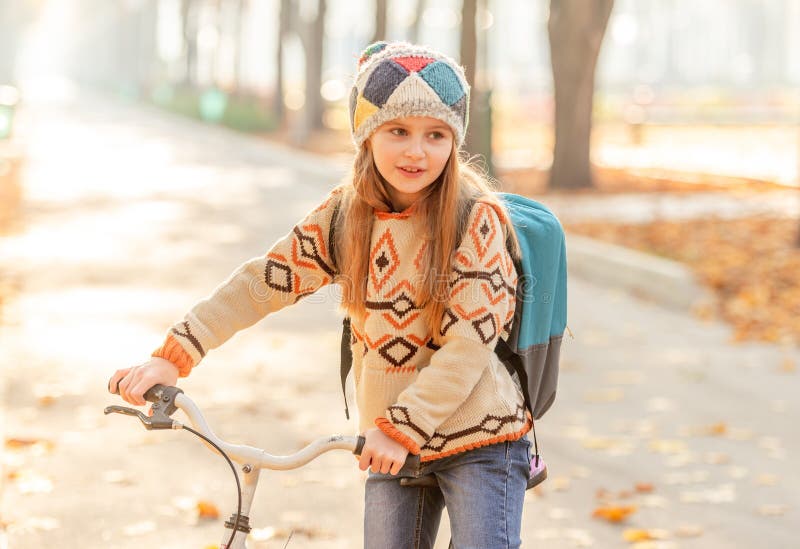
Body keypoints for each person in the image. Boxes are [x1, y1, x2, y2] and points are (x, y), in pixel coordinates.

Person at [108, 41, 532, 549]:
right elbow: (262, 281)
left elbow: (470, 345)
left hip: (480, 439)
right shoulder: (345, 217)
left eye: (436, 135)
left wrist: (403, 427)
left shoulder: (475, 219)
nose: (416, 151)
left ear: (454, 140)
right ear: (367, 134)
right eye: (398, 131)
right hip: (389, 443)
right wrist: (176, 355)